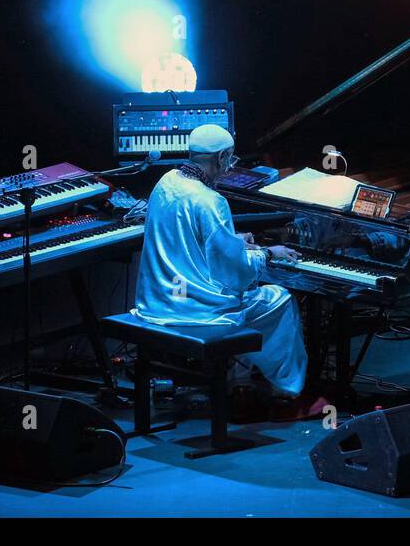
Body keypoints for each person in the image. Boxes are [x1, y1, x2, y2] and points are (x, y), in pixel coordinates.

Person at [132, 123, 312, 409]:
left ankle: (239, 384)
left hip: (159, 301)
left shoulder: (165, 183)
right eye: (230, 159)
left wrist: (233, 241)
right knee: (278, 300)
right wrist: (267, 253)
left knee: (250, 302)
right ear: (221, 158)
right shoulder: (211, 200)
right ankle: (288, 393)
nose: (229, 167)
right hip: (194, 311)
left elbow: (183, 241)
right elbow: (233, 273)